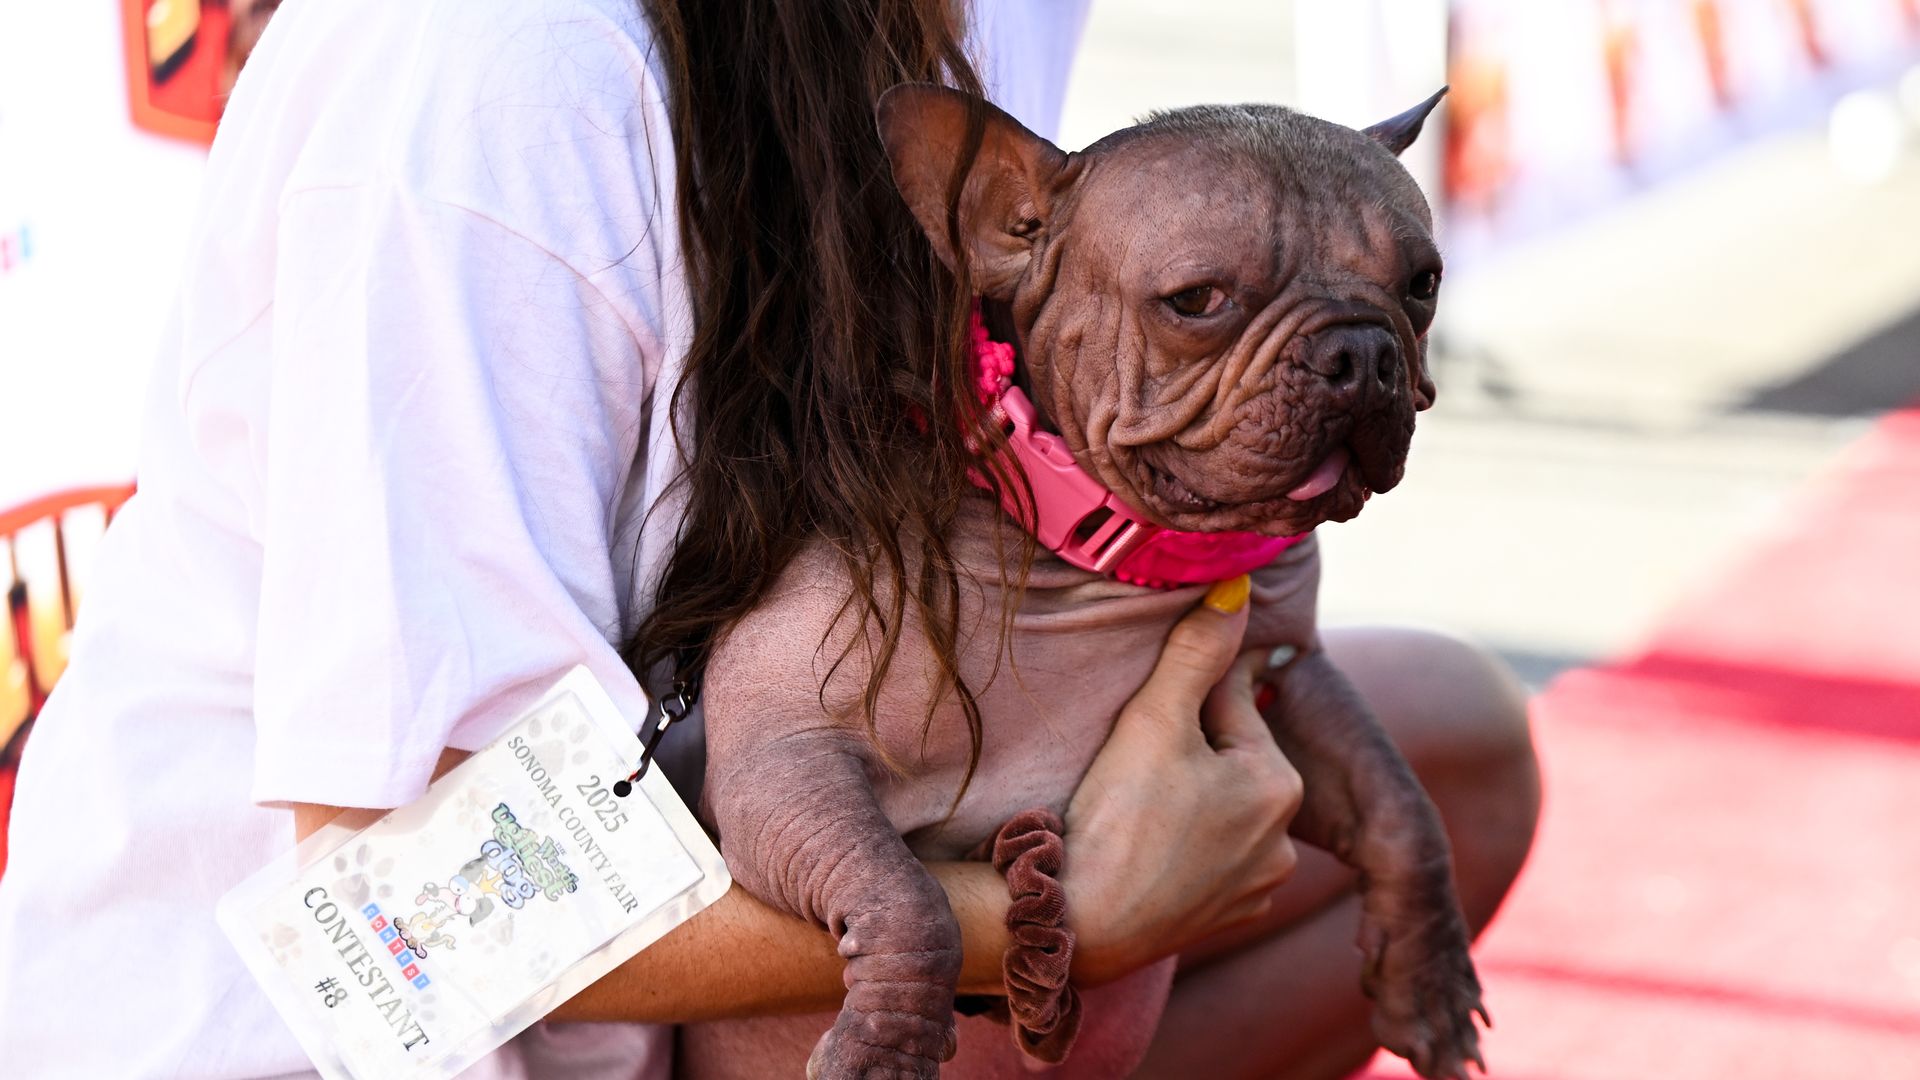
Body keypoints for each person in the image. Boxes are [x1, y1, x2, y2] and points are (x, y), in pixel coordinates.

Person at [0, 2, 1540, 1078]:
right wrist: (1053, 918)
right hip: (307, 1027)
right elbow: (405, 922)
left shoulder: (958, 24)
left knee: (1453, 748)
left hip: (663, 956)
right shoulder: (490, 82)